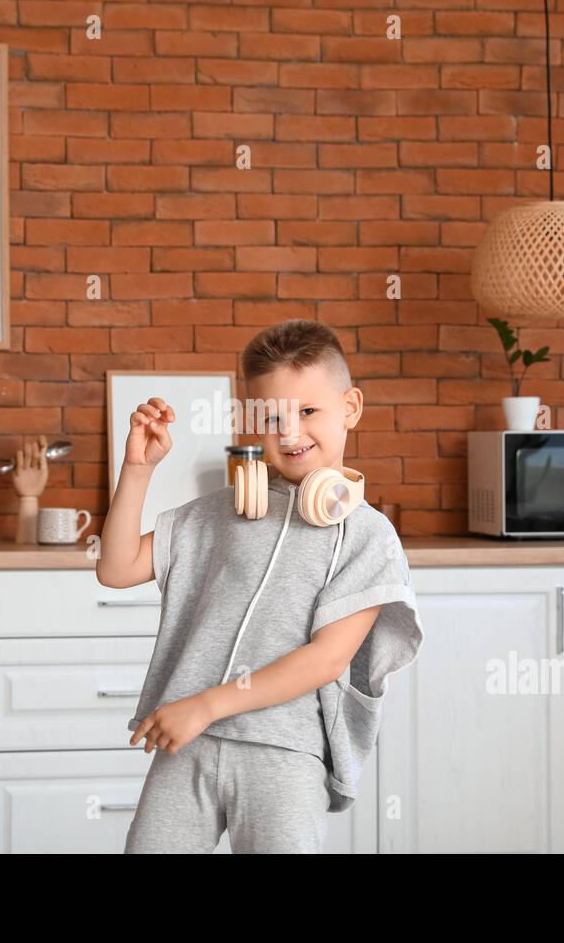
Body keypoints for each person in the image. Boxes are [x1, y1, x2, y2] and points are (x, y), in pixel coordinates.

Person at [96, 318, 423, 853]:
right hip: (188, 745)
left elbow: (325, 661)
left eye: (308, 411)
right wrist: (137, 469)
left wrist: (206, 705)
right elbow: (118, 567)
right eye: (272, 417)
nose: (290, 433)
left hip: (283, 751)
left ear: (351, 407)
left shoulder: (368, 537)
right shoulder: (219, 514)